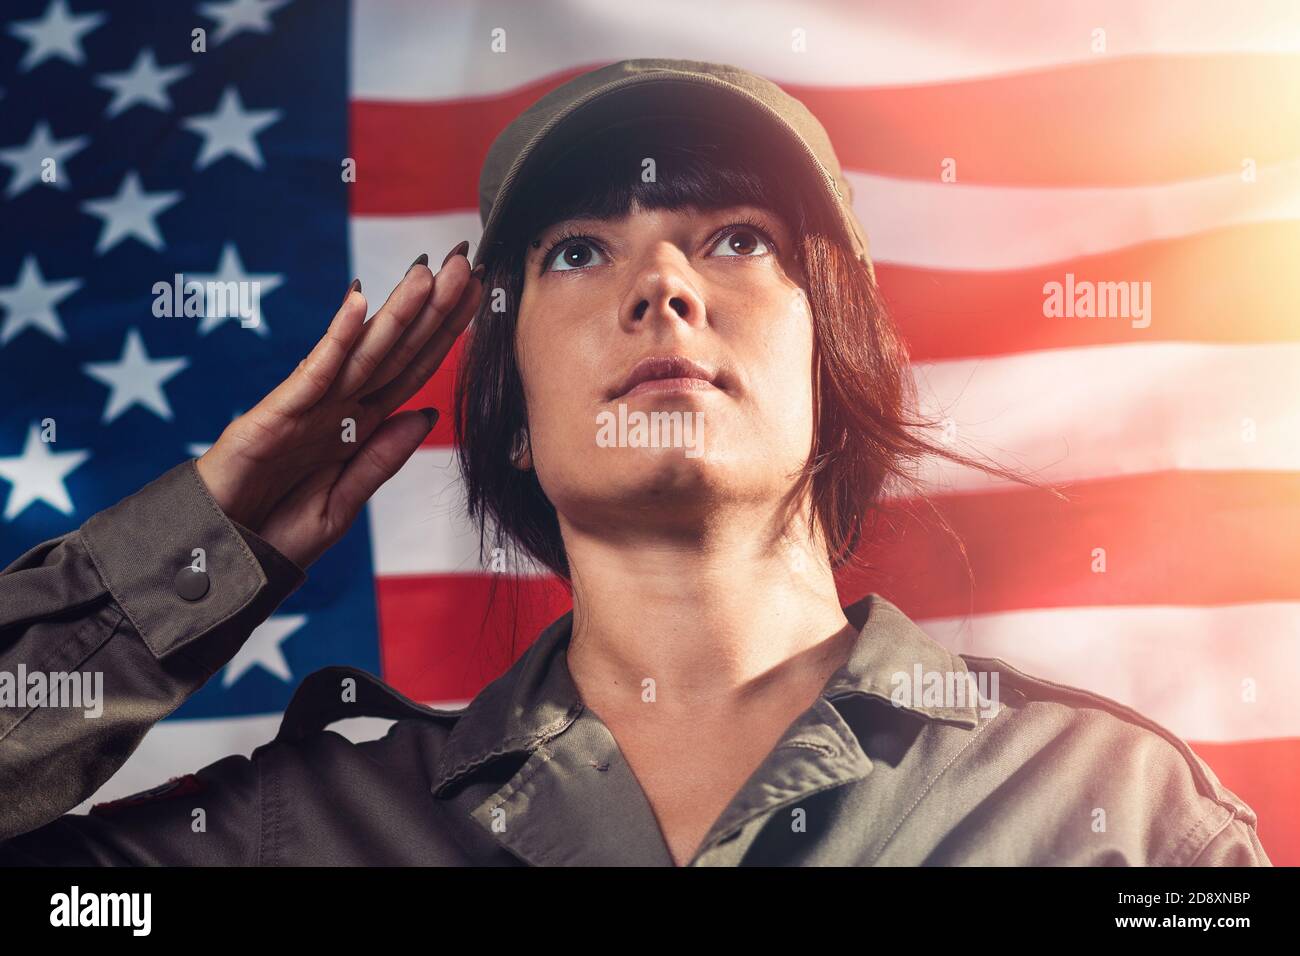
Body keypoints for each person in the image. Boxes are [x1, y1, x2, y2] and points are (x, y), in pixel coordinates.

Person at [0, 59, 1269, 866]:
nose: (662, 283)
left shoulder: (1119, 816)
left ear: (838, 370)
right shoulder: (299, 830)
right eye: (574, 253)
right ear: (507, 410)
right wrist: (193, 556)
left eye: (733, 237)